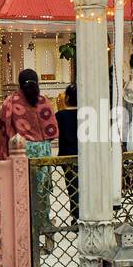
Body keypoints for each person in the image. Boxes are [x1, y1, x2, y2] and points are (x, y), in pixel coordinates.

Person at [0, 68, 59, 251]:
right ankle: (47, 236)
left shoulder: (11, 102)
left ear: (19, 83)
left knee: (21, 196)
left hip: (22, 153)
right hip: (43, 154)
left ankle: (25, 242)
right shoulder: (44, 102)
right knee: (42, 197)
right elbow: (52, 131)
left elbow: (1, 131)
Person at [55, 83, 79, 226]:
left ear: (67, 98)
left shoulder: (60, 115)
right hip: (84, 156)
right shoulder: (86, 114)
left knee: (73, 188)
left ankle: (76, 217)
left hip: (67, 158)